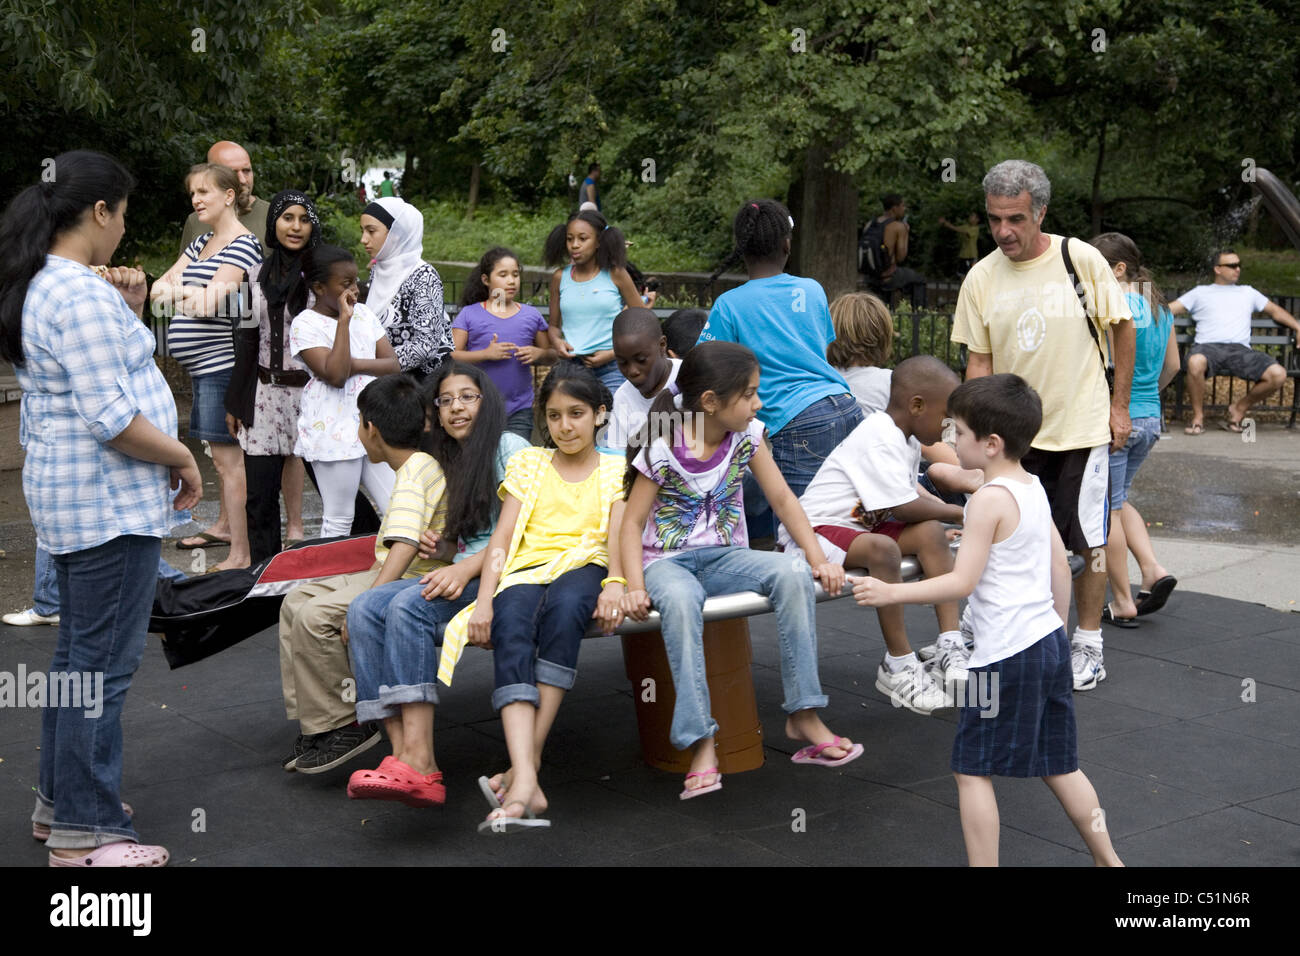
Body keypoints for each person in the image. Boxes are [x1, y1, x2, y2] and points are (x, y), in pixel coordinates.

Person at [1, 150, 202, 865]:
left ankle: (63, 805)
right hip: (106, 505)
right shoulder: (76, 294)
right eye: (122, 214)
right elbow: (112, 415)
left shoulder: (49, 284)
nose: (122, 230)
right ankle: (86, 832)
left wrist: (132, 312)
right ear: (99, 212)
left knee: (77, 660)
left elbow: (107, 375)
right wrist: (182, 457)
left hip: (82, 500)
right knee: (102, 669)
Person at [852, 374, 1124, 868]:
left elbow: (960, 583)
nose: (950, 440)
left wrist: (891, 590)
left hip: (1001, 658)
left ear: (991, 443)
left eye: (958, 432)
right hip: (1044, 645)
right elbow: (1059, 569)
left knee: (971, 769)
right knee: (1060, 764)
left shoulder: (987, 500)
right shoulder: (1032, 487)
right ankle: (1110, 862)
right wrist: (1060, 641)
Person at [621, 342, 860, 798]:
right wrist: (633, 586)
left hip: (725, 557)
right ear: (710, 402)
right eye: (749, 394)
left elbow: (784, 500)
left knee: (790, 573)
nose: (759, 403)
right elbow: (631, 523)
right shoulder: (663, 446)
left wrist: (817, 559)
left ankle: (803, 713)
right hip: (666, 562)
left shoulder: (748, 437)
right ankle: (701, 740)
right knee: (680, 599)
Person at [951, 159, 1135, 691]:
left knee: (1089, 541)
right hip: (1010, 440)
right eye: (994, 220)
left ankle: (1089, 644)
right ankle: (984, 632)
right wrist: (968, 436)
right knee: (1003, 538)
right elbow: (979, 364)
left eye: (1015, 219)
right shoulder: (982, 276)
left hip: (1079, 429)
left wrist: (1118, 407)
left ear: (1041, 212)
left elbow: (1123, 330)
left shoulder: (1080, 259)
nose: (1004, 231)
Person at [439, 363, 628, 833]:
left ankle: (524, 772)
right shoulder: (530, 463)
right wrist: (483, 600)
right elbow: (501, 540)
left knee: (566, 611)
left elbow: (623, 535)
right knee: (511, 621)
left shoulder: (616, 468)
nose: (565, 426)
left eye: (577, 414)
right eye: (556, 415)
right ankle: (526, 776)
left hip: (585, 562)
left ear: (600, 415)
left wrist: (617, 583)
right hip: (526, 566)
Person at [344, 364, 530, 804]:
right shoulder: (452, 458)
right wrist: (444, 546)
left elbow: (523, 531)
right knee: (364, 609)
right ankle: (402, 755)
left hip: (510, 570)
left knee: (408, 605)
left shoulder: (511, 447)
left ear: (487, 402)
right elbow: (469, 536)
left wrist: (463, 569)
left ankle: (421, 761)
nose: (456, 408)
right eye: (445, 401)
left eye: (467, 397)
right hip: (468, 566)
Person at [780, 355, 965, 714]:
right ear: (916, 405)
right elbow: (904, 507)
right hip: (817, 530)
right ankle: (898, 664)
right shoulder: (880, 435)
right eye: (945, 418)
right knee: (884, 550)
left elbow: (912, 493)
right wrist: (962, 511)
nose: (948, 430)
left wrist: (946, 521)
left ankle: (949, 641)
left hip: (859, 524)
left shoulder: (905, 439)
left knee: (931, 534)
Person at [279, 374, 443, 774]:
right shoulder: (415, 465)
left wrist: (367, 603)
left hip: (408, 576)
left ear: (371, 429)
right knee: (295, 602)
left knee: (317, 618)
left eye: (358, 423)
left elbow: (404, 546)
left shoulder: (413, 473)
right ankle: (318, 723)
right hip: (390, 567)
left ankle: (345, 723)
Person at [697, 199, 863, 540]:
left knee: (801, 533)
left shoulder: (730, 304)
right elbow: (821, 347)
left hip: (796, 422)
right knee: (848, 513)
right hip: (844, 404)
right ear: (787, 245)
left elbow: (704, 361)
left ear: (741, 249)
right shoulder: (812, 289)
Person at [152, 162, 262, 571]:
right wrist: (193, 292)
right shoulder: (201, 244)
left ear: (228, 195)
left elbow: (206, 305)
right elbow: (155, 294)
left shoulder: (244, 245)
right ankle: (238, 544)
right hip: (204, 370)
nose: (196, 200)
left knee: (228, 462)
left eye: (204, 192)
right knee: (222, 461)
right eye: (193, 194)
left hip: (222, 366)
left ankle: (241, 555)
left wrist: (185, 293)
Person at [1090, 233, 1180, 623]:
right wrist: (1147, 400)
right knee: (1118, 498)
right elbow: (1173, 366)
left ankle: (1124, 600)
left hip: (1116, 420)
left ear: (1118, 269)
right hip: (1150, 418)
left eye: (1096, 267)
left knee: (1105, 512)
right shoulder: (1160, 309)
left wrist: (1120, 404)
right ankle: (1153, 570)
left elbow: (1102, 363)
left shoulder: (1117, 305)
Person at [225, 190, 318, 563]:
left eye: (304, 219)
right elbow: (245, 340)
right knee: (259, 498)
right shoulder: (252, 276)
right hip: (263, 399)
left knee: (337, 490)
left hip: (314, 398)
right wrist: (235, 400)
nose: (295, 226)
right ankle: (265, 578)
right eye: (287, 218)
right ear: (273, 223)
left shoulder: (324, 274)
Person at [290, 245, 401, 537]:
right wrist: (343, 321)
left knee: (397, 506)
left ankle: (399, 574)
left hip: (373, 423)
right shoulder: (305, 324)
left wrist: (353, 363)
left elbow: (392, 365)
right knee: (340, 518)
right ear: (318, 287)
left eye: (355, 280)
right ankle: (332, 580)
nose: (355, 289)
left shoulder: (365, 314)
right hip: (332, 429)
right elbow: (336, 376)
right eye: (345, 284)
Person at [1167, 249, 1300, 435]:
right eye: (1232, 265)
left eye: (1239, 265)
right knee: (1195, 362)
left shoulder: (1248, 292)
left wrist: (1298, 326)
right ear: (1217, 269)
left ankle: (1239, 408)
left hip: (1240, 351)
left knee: (1278, 374)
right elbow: (1168, 310)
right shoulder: (1200, 293)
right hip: (1207, 347)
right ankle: (1198, 417)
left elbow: (1275, 311)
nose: (1237, 269)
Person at [452, 246, 554, 439]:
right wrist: (485, 354)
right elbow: (452, 356)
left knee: (515, 463)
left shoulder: (531, 315)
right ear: (486, 280)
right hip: (478, 408)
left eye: (515, 274)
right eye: (503, 274)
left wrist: (538, 354)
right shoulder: (469, 314)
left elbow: (552, 355)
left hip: (519, 409)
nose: (511, 280)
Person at [543, 208, 643, 393]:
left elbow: (642, 319)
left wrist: (613, 353)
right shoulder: (559, 277)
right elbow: (554, 327)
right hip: (571, 366)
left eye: (582, 238)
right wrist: (557, 343)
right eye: (569, 238)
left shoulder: (616, 274)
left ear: (598, 241)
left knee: (610, 420)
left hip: (612, 367)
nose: (574, 245)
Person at [359, 197, 453, 379]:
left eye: (371, 231)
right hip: (383, 382)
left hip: (417, 386)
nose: (363, 239)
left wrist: (371, 365)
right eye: (362, 231)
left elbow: (426, 345)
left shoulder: (423, 275)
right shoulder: (379, 271)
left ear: (396, 235)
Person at [606, 307, 680, 450]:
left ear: (662, 345)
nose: (632, 371)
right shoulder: (622, 398)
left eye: (641, 360)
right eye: (622, 362)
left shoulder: (689, 378)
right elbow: (619, 459)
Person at [180, 140, 271, 250]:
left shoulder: (275, 216)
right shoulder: (196, 220)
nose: (242, 180)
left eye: (246, 171)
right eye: (233, 172)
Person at [865, 193, 927, 309]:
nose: (904, 209)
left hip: (870, 276)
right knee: (919, 280)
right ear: (894, 208)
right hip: (888, 277)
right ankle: (919, 316)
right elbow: (901, 257)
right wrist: (906, 233)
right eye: (903, 206)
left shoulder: (870, 224)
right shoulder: (898, 226)